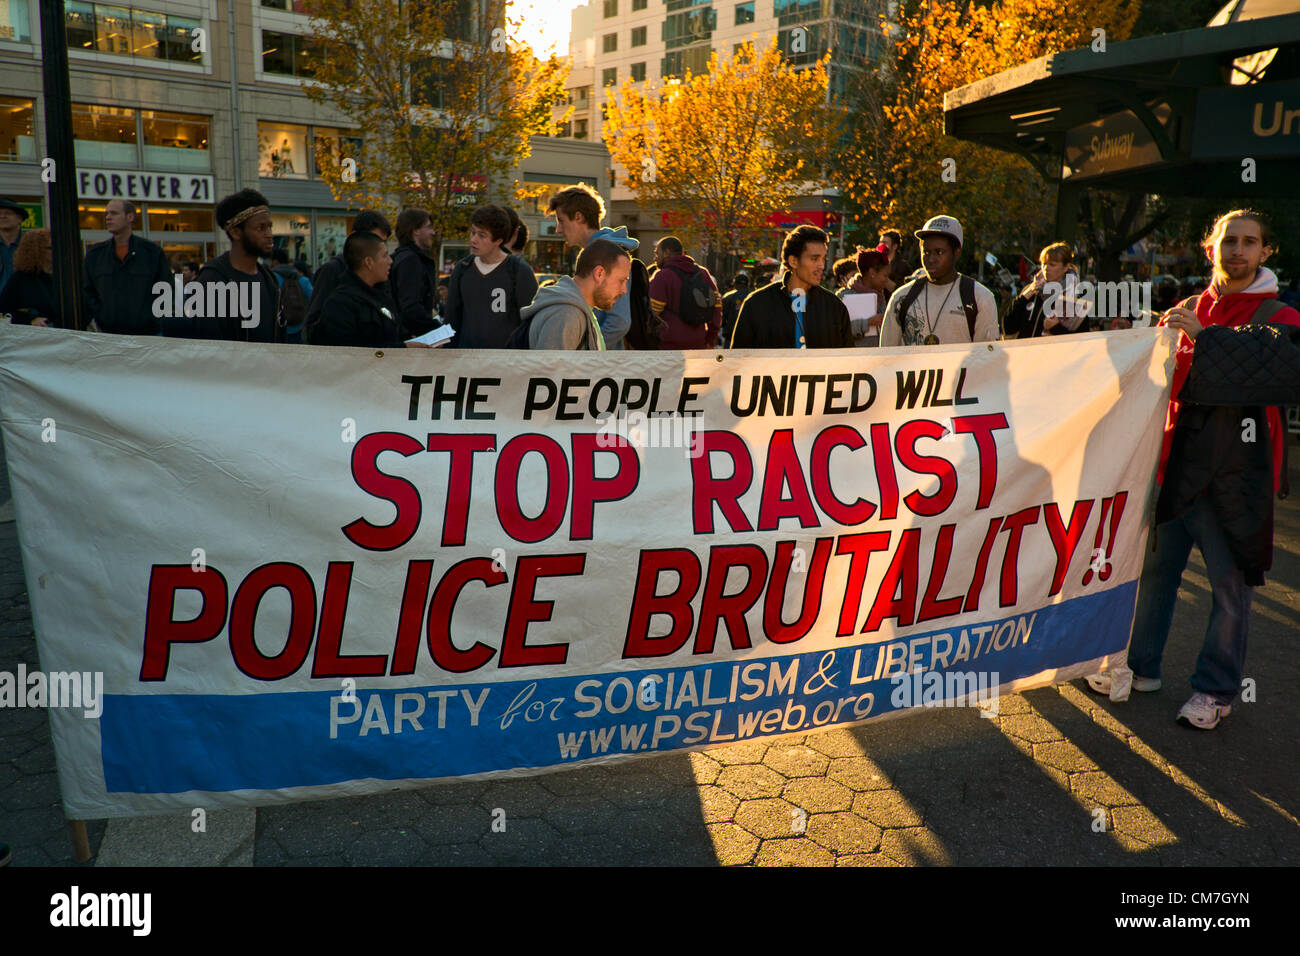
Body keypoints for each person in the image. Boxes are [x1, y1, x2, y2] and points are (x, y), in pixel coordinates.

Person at [1086, 209, 1300, 729]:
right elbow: (1161, 387)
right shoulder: (1183, 309)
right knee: (1155, 575)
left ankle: (1216, 690)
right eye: (1230, 241)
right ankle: (1141, 667)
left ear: (1266, 252)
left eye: (1251, 242)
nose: (1239, 251)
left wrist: (1202, 339)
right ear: (1211, 249)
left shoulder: (1283, 316)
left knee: (1230, 587)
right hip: (1175, 465)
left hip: (1239, 476)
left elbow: (1258, 379)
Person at [164, 188, 283, 342]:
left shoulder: (269, 279)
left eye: (269, 227)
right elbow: (210, 347)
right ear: (235, 232)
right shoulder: (212, 281)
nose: (269, 234)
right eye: (261, 228)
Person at [879, 215, 999, 347]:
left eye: (939, 252)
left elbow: (987, 359)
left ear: (957, 253)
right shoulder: (901, 298)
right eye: (926, 252)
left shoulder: (980, 298)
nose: (931, 259)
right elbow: (886, 357)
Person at [547, 183, 642, 349]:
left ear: (578, 217)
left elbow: (619, 321)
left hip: (599, 367)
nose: (558, 230)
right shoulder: (598, 252)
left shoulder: (610, 254)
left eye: (561, 221)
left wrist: (587, 352)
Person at [730, 225, 853, 349]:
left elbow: (847, 360)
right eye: (814, 259)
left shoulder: (834, 307)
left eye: (823, 259)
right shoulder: (757, 304)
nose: (821, 265)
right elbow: (739, 360)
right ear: (793, 261)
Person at [312, 232, 432, 349]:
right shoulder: (340, 304)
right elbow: (351, 353)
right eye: (384, 256)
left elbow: (392, 334)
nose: (390, 261)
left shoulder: (381, 296)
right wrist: (402, 348)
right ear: (369, 262)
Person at [444, 203, 539, 348]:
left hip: (505, 361)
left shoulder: (518, 270)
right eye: (473, 232)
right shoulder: (462, 269)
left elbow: (530, 323)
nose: (474, 240)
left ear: (498, 240)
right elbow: (452, 319)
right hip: (467, 360)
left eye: (482, 235)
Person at [82, 199, 172, 335]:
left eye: (114, 213)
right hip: (109, 334)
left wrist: (152, 318)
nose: (108, 218)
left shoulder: (152, 252)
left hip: (147, 335)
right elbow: (87, 291)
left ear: (130, 217)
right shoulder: (96, 255)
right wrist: (101, 316)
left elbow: (165, 288)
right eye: (106, 214)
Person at [522, 238, 630, 350]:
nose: (624, 290)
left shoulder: (577, 310)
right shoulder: (566, 314)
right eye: (621, 281)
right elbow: (552, 367)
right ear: (599, 274)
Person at [304, 209, 392, 336]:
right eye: (372, 240)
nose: (378, 247)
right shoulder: (333, 270)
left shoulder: (381, 275)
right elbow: (313, 324)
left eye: (383, 242)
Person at [648, 236, 721, 350]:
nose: (655, 258)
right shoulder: (703, 273)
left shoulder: (662, 276)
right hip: (699, 344)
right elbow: (716, 309)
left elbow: (651, 314)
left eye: (657, 253)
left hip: (668, 347)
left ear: (667, 252)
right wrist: (710, 339)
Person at [1003, 242, 1088, 339]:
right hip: (1024, 352)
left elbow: (1080, 339)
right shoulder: (1032, 290)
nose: (1046, 268)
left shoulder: (1075, 296)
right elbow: (1007, 327)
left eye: (1052, 264)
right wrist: (1023, 297)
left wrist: (1055, 328)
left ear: (1066, 267)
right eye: (1044, 263)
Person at [389, 207, 441, 339]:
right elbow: (410, 307)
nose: (433, 232)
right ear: (415, 230)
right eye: (428, 227)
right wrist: (437, 330)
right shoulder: (410, 260)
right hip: (412, 338)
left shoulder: (400, 257)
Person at [0, 229, 59, 326]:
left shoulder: (65, 276)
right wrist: (29, 320)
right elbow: (4, 312)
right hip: (38, 335)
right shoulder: (21, 279)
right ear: (35, 250)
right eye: (50, 248)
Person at [269, 247, 312, 343]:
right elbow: (313, 300)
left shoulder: (271, 279)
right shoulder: (303, 280)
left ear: (275, 262)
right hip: (299, 329)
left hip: (277, 330)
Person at [0, 197, 26, 297]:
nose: (2, 216)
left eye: (8, 213)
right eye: (0, 213)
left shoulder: (31, 245)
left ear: (20, 218)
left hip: (27, 307)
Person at [720, 272, 750, 348]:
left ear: (735, 284)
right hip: (749, 336)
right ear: (748, 285)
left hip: (731, 335)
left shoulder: (728, 298)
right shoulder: (754, 297)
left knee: (729, 358)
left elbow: (722, 317)